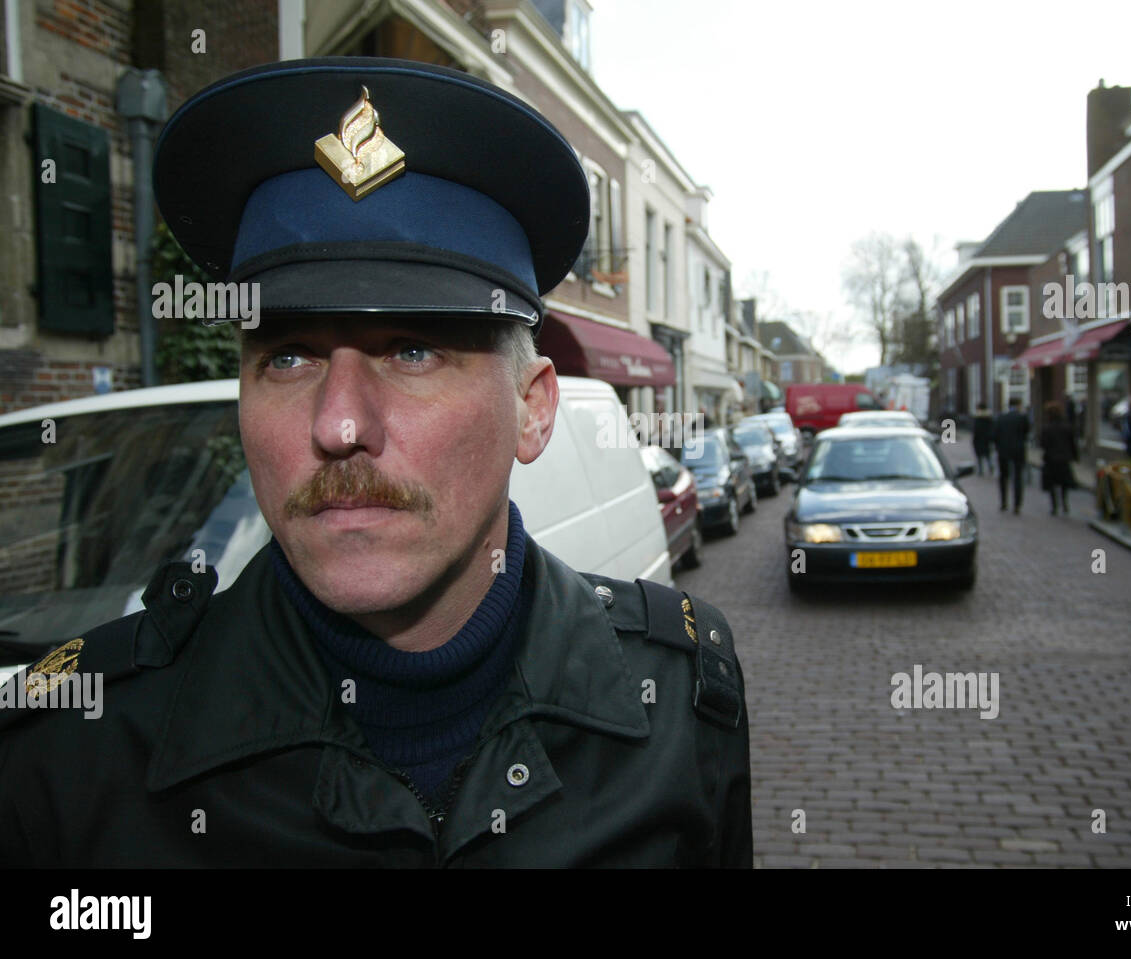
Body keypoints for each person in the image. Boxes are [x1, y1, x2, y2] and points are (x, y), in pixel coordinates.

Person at [0, 59, 752, 867]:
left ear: (532, 408)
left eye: (414, 349)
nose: (340, 422)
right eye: (288, 358)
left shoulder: (682, 698)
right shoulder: (71, 758)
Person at [992, 396, 1030, 513]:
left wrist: (998, 446)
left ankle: (1004, 502)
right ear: (1018, 405)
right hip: (1018, 450)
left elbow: (995, 435)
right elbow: (1026, 432)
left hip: (1003, 450)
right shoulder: (1022, 417)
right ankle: (1017, 505)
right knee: (1018, 477)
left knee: (1003, 477)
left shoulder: (1001, 418)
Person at [1039, 402, 1077, 515]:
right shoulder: (1067, 427)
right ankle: (1064, 502)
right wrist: (1075, 456)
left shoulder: (1046, 428)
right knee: (1063, 482)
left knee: (1052, 483)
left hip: (1051, 459)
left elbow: (1043, 444)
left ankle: (1054, 506)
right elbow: (1072, 443)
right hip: (1064, 458)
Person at [971, 401, 994, 476]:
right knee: (987, 455)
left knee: (979, 456)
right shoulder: (989, 418)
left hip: (979, 440)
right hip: (986, 439)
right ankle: (990, 467)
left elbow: (975, 430)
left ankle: (981, 470)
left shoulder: (977, 418)